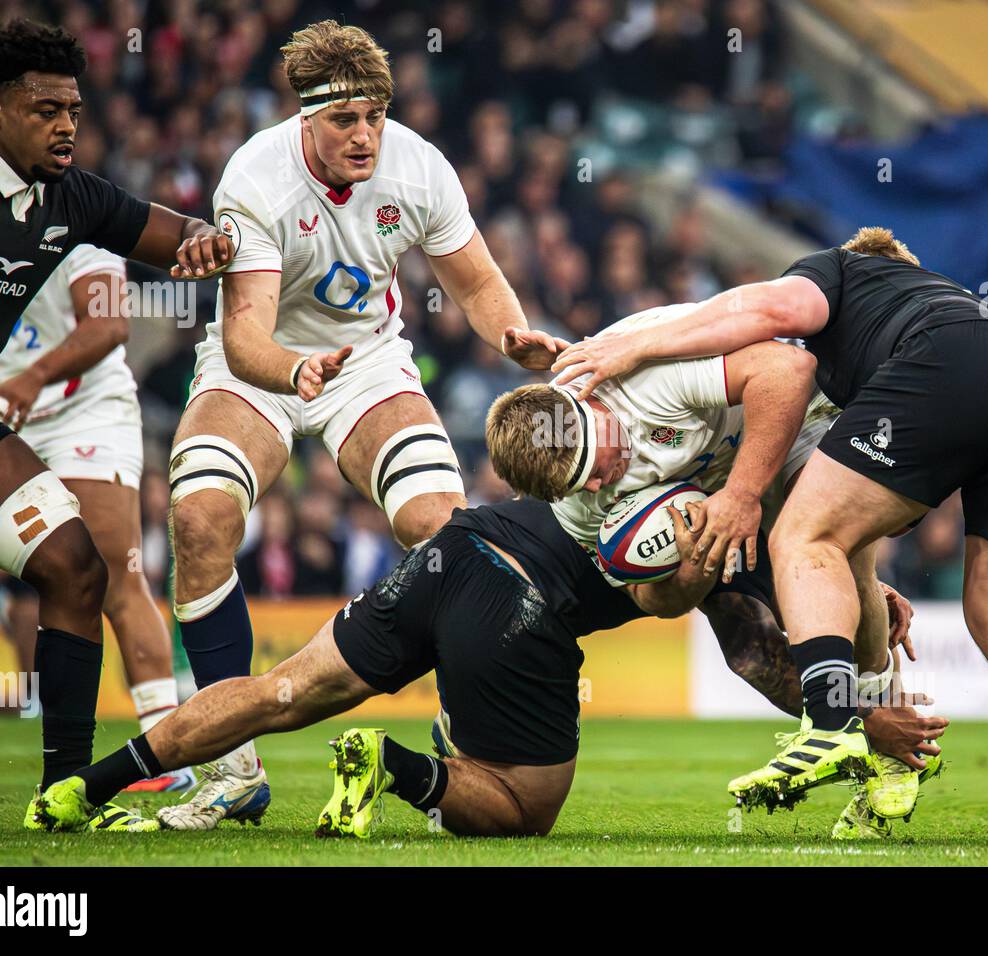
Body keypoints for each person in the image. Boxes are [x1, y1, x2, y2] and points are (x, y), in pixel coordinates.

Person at [550, 227, 988, 846]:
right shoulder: (941, 300)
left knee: (805, 538)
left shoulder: (843, 269)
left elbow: (773, 310)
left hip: (953, 366)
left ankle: (830, 728)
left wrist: (629, 345)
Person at [159, 21, 564, 830]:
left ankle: (464, 741)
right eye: (344, 119)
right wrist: (293, 373)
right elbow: (245, 333)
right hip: (262, 365)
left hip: (367, 361)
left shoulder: (418, 166)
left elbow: (477, 283)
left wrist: (511, 335)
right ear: (305, 117)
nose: (365, 135)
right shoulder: (256, 178)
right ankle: (231, 771)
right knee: (200, 518)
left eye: (375, 115)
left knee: (447, 531)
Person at [28, 495, 947, 839]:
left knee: (277, 693)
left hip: (457, 544)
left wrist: (863, 588)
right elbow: (751, 651)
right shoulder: (742, 527)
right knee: (521, 809)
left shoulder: (685, 447)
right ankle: (393, 766)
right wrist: (863, 719)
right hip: (523, 605)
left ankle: (80, 790)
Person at [0, 19, 235, 829]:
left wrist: (205, 242)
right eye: (46, 110)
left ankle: (63, 791)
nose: (66, 125)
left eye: (73, 109)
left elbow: (170, 235)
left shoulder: (73, 198)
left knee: (76, 568)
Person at [485, 302, 936, 826]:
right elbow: (652, 601)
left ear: (586, 405)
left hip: (787, 419)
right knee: (751, 656)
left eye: (591, 466)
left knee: (831, 547)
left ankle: (885, 727)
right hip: (709, 494)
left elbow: (789, 370)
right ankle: (871, 727)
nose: (597, 486)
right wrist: (694, 567)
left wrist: (743, 495)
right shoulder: (578, 507)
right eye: (577, 486)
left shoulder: (642, 381)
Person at [0, 244, 194, 793]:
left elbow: (109, 325)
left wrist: (32, 378)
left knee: (115, 574)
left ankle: (168, 750)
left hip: (85, 412)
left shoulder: (78, 221)